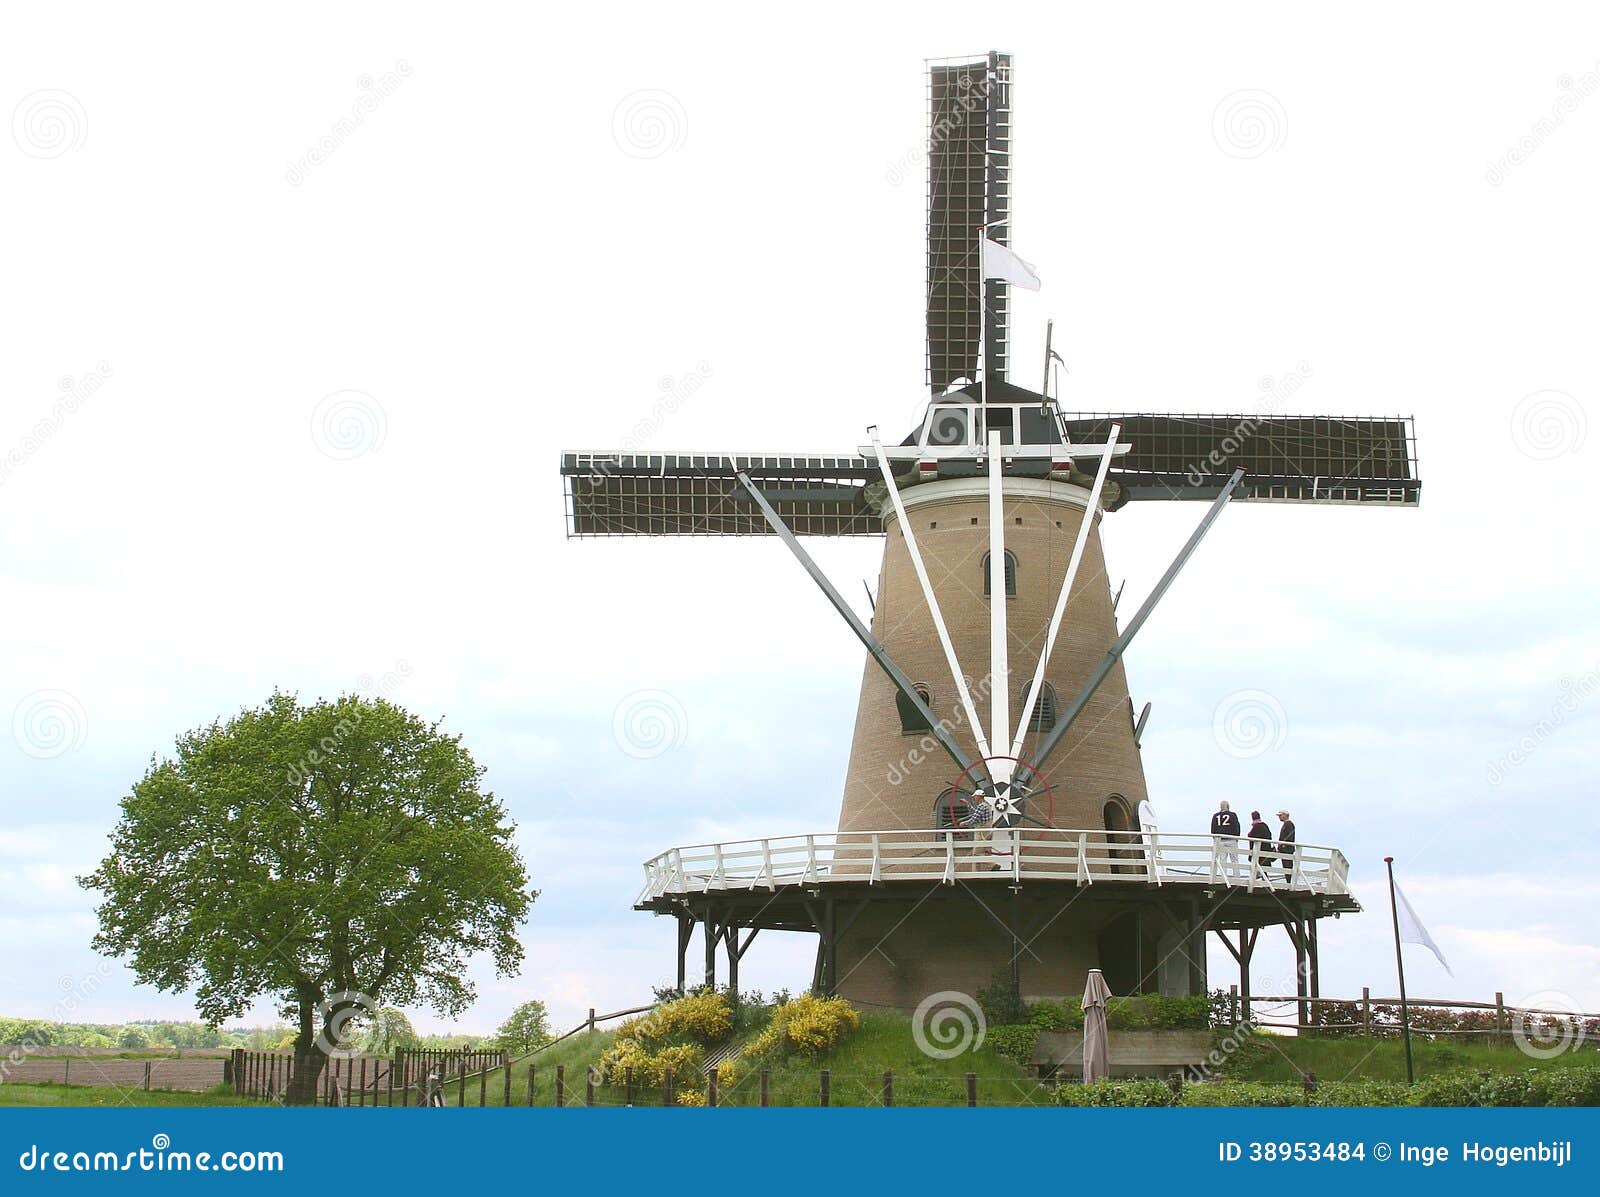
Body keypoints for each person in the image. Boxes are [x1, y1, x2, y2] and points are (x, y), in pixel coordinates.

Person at [1209, 800, 1241, 879]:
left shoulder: (1216, 816)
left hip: (1220, 840)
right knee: (1234, 860)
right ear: (1228, 806)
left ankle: (1224, 878)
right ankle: (1237, 877)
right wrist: (1236, 838)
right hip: (1232, 839)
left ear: (1220, 807)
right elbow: (1237, 826)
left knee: (1223, 860)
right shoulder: (1233, 815)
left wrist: (1216, 839)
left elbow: (1213, 830)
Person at [1246, 809, 1273, 876]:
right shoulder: (1265, 826)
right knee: (1262, 869)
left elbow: (1252, 836)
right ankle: (1263, 879)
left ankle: (1260, 879)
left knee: (1258, 868)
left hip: (1259, 851)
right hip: (1265, 851)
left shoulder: (1256, 827)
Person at [1277, 809, 1297, 881]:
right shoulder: (1287, 824)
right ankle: (1289, 882)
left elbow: (1290, 836)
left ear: (1285, 815)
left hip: (1287, 850)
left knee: (1287, 867)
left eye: (1280, 815)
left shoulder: (1289, 824)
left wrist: (1283, 845)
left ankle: (1289, 882)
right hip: (1285, 850)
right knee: (1286, 868)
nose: (1279, 817)